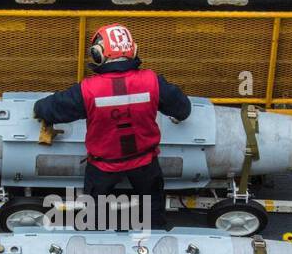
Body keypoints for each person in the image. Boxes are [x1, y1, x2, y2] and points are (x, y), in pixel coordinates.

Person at [33, 23, 192, 230]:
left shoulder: (87, 90)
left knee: (93, 211)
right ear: (133, 50)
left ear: (98, 55)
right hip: (144, 162)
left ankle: (96, 240)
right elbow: (183, 109)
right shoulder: (153, 82)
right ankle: (155, 241)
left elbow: (49, 109)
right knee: (153, 207)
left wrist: (38, 108)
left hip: (103, 166)